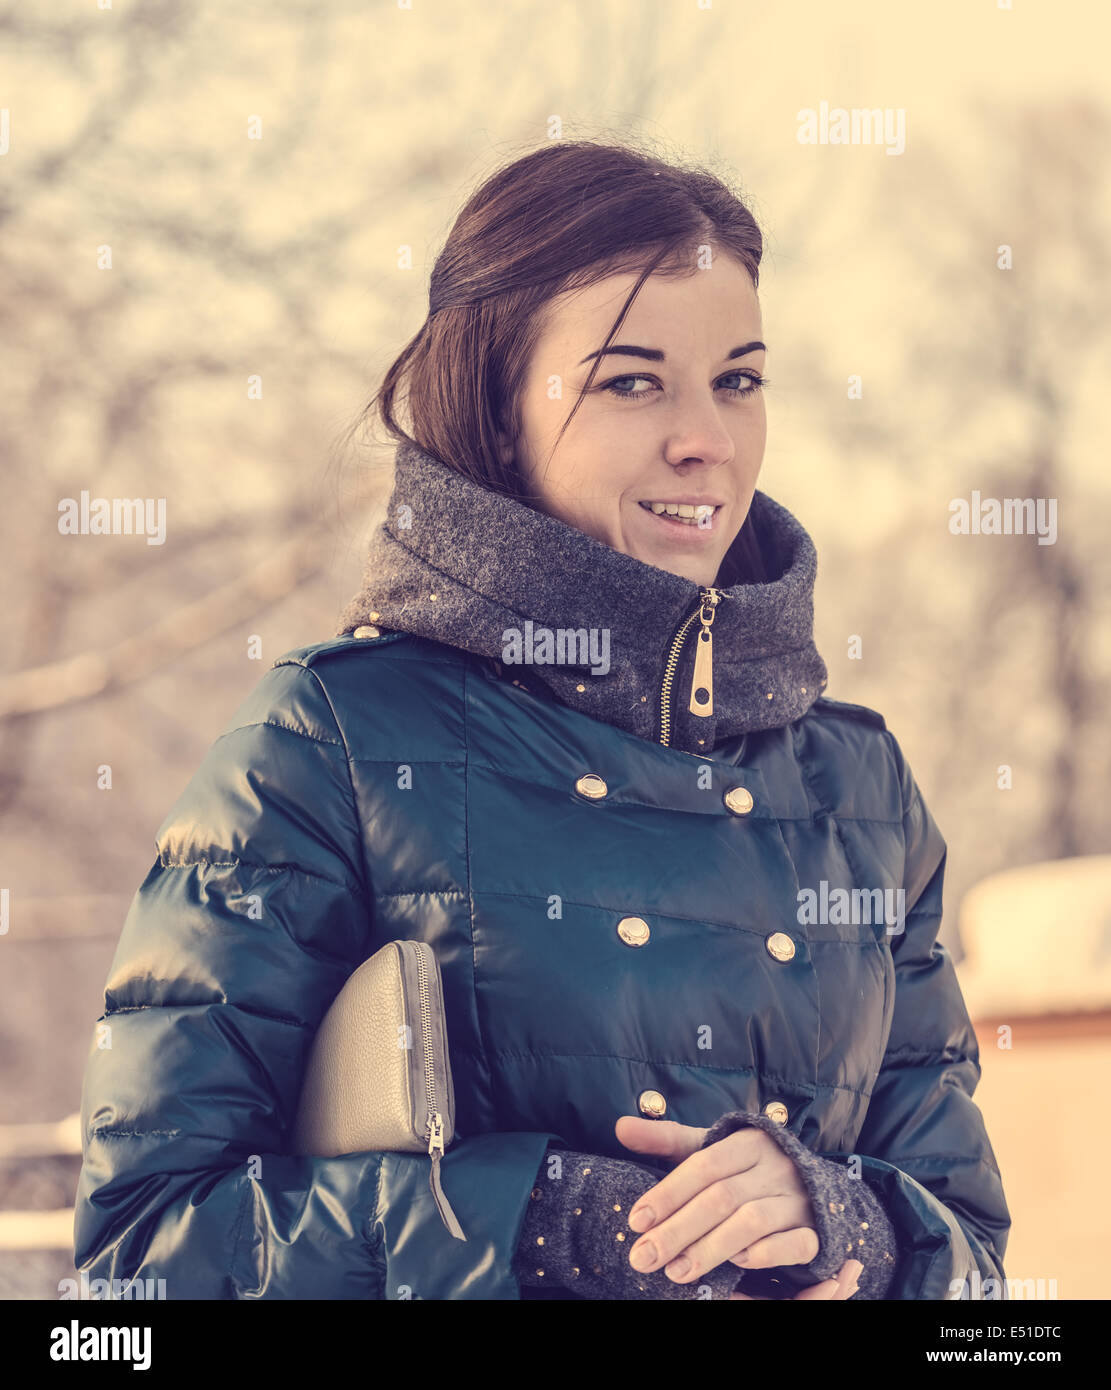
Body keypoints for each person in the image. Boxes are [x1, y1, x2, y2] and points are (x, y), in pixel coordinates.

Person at [73, 140, 1011, 1300]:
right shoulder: (332, 741)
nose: (706, 439)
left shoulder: (858, 788)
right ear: (498, 409)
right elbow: (137, 1261)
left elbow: (978, 1273)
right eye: (630, 382)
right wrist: (542, 1226)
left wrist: (847, 1228)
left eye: (737, 379)